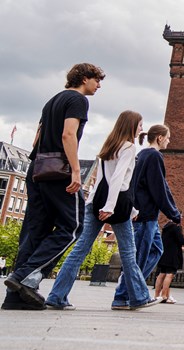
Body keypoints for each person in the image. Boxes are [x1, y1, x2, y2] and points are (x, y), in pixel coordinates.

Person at [4, 63, 104, 310]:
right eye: (97, 80)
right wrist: (76, 171)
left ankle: (15, 299)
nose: (99, 85)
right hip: (59, 172)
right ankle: (24, 276)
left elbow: (37, 138)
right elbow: (68, 135)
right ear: (84, 78)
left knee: (34, 230)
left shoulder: (51, 101)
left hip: (38, 170)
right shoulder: (78, 100)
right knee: (74, 226)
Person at [46, 111, 159, 311]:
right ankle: (139, 297)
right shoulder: (129, 147)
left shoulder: (109, 146)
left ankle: (56, 296)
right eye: (140, 125)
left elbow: (101, 180)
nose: (142, 128)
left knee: (79, 250)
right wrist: (110, 207)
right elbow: (118, 179)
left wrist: (93, 203)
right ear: (131, 125)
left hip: (96, 203)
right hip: (115, 206)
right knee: (129, 254)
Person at [113, 124, 181, 308]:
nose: (169, 140)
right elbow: (158, 187)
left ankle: (134, 289)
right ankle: (123, 295)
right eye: (167, 137)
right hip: (146, 215)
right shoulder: (154, 156)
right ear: (159, 137)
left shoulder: (142, 154)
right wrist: (174, 213)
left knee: (156, 249)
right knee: (140, 257)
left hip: (144, 213)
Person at [154, 219, 184, 303]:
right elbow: (181, 241)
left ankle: (156, 295)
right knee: (169, 274)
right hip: (173, 255)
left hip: (164, 254)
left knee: (161, 274)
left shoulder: (165, 227)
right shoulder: (176, 228)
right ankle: (164, 295)